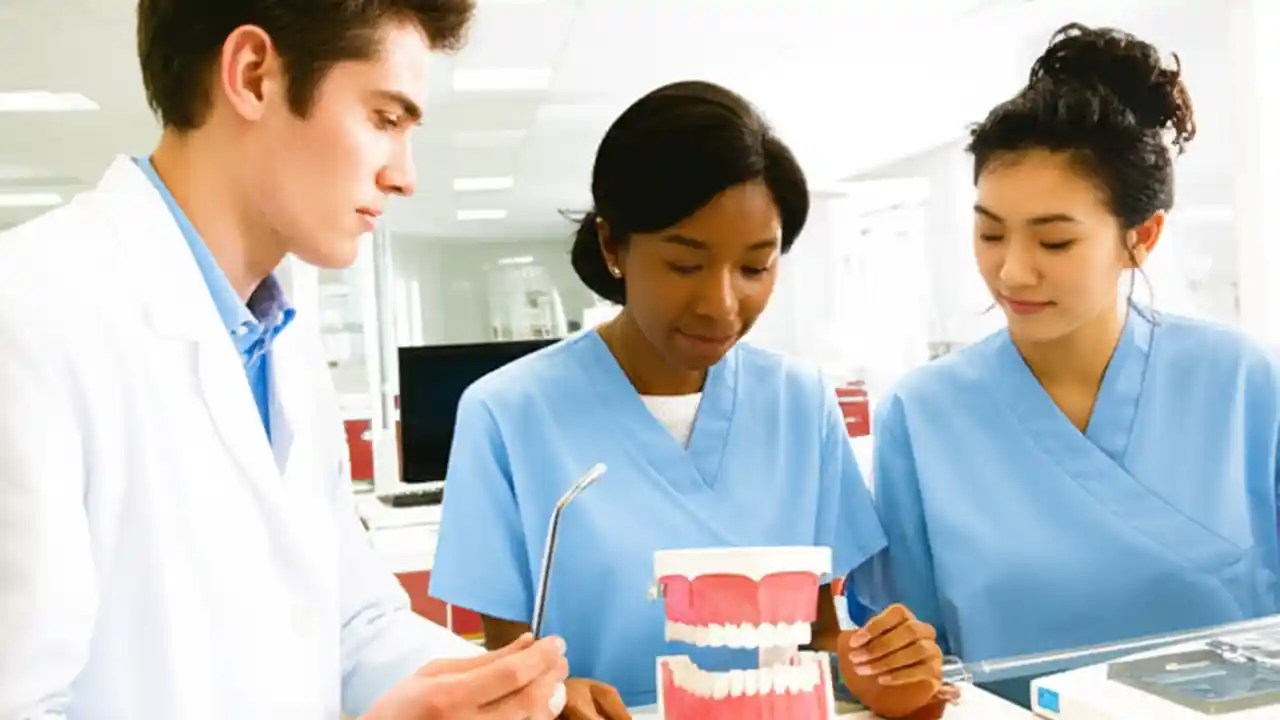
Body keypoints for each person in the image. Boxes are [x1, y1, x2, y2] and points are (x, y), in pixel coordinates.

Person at [0, 2, 569, 718]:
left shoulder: (277, 342)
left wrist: (509, 690)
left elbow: (353, 626)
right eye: (385, 119)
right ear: (253, 76)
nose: (404, 176)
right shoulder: (28, 315)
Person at [428, 80, 948, 720]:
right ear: (613, 245)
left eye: (754, 268)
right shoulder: (507, 414)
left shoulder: (800, 404)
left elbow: (814, 640)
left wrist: (880, 667)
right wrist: (553, 696)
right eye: (684, 265)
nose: (721, 306)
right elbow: (507, 671)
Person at [854, 22, 1280, 706]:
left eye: (1054, 242)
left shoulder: (1242, 383)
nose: (1012, 271)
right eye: (990, 232)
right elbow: (905, 663)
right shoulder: (925, 414)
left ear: (1141, 237)